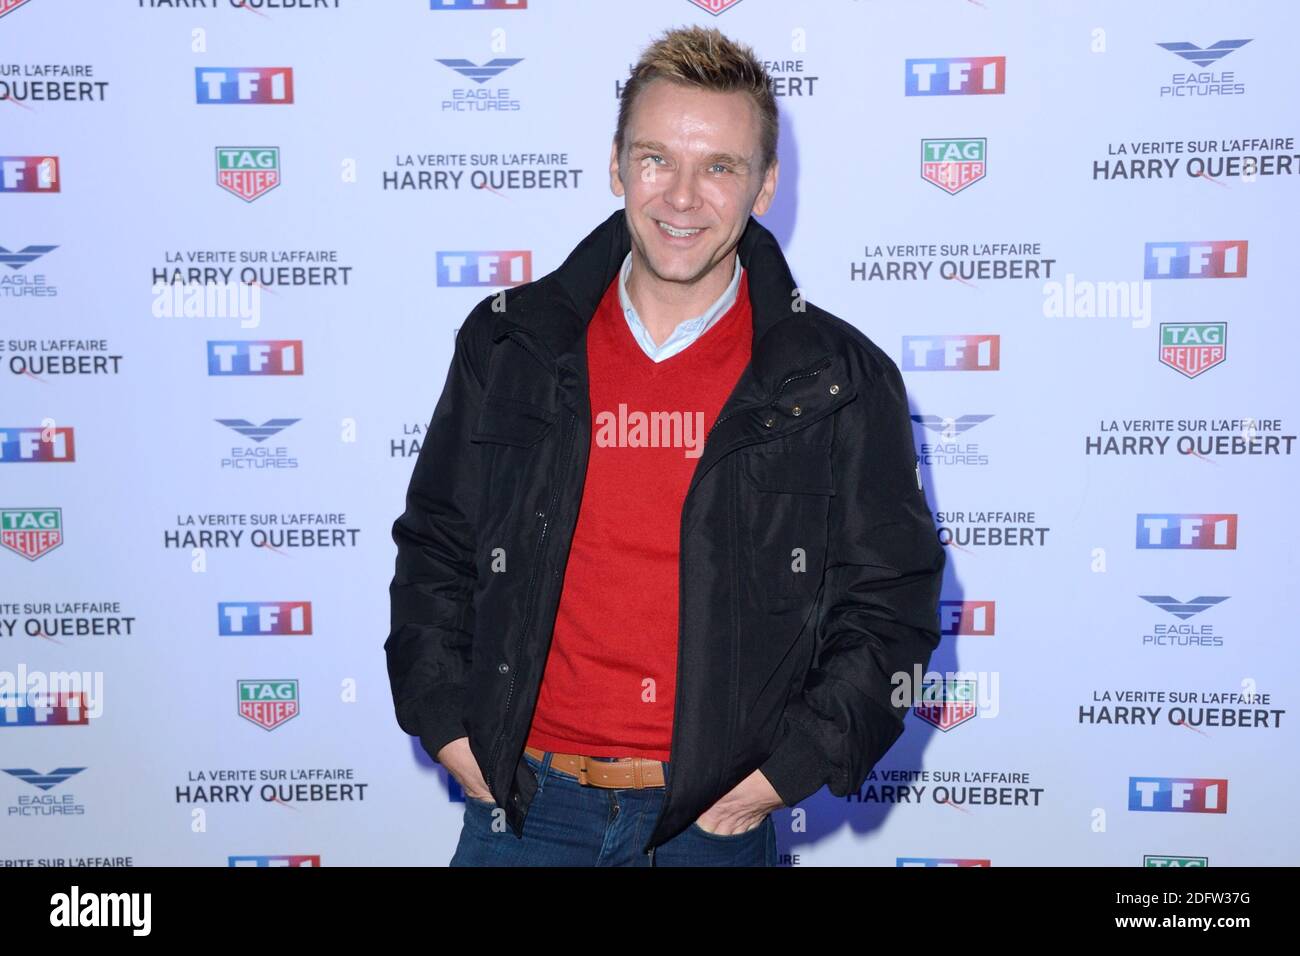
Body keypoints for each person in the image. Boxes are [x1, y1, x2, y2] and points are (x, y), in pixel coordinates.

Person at [385, 24, 945, 867]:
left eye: (719, 166)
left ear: (764, 186)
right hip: (522, 810)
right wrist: (445, 721)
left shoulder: (836, 375)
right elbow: (436, 544)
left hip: (708, 829)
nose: (682, 197)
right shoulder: (512, 344)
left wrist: (784, 772)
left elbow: (891, 600)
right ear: (617, 167)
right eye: (656, 159)